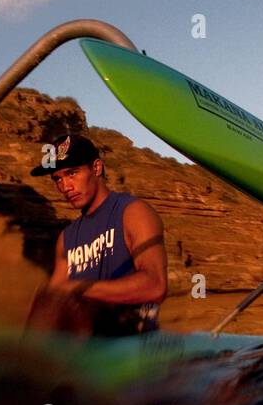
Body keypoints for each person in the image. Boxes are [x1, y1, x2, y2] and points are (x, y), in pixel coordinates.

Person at [26, 132, 167, 336]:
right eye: (57, 179)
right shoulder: (67, 238)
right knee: (44, 300)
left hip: (132, 341)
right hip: (87, 346)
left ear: (97, 168)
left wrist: (80, 288)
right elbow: (55, 297)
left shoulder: (132, 212)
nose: (65, 186)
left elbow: (156, 286)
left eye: (72, 173)